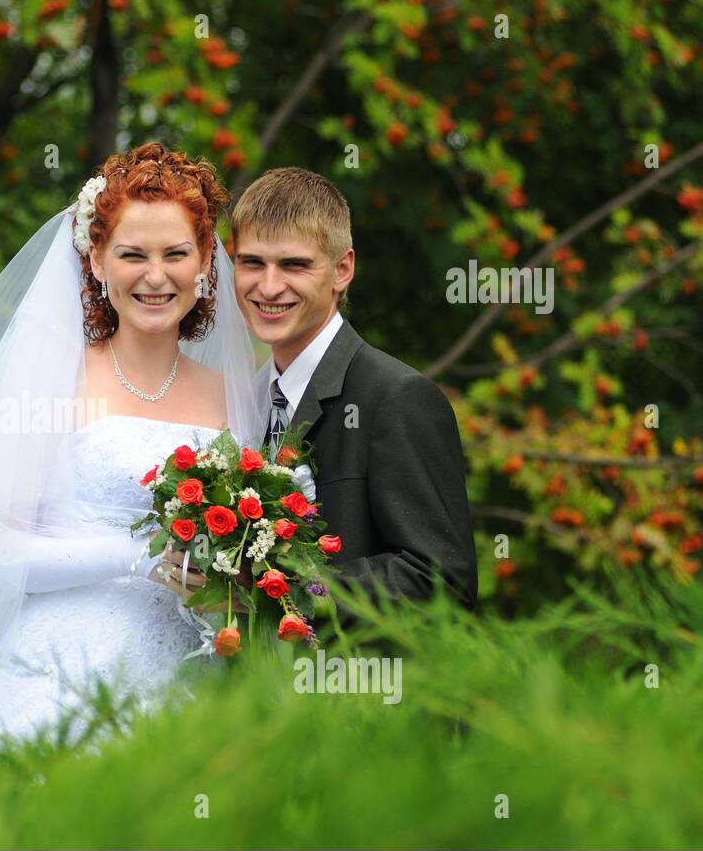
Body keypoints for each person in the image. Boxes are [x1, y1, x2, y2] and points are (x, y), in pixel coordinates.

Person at [0, 143, 270, 762]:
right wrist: (137, 556)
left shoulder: (239, 396)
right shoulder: (48, 383)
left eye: (177, 253)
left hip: (194, 685)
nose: (156, 276)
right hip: (58, 680)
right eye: (133, 254)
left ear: (207, 260)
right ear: (96, 259)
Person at [156, 166, 477, 620]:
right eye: (252, 263)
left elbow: (440, 578)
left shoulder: (396, 398)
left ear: (342, 269)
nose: (268, 286)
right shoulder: (244, 401)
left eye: (294, 264)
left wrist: (280, 590)